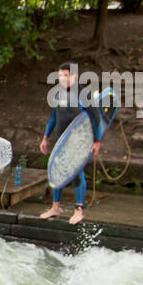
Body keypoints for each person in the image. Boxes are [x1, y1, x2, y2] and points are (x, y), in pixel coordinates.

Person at [40, 62, 103, 226]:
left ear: (74, 76)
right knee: (57, 169)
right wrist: (45, 137)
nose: (62, 78)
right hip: (60, 139)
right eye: (60, 75)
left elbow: (96, 119)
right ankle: (55, 208)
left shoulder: (84, 94)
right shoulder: (57, 94)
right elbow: (53, 119)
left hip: (78, 142)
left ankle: (78, 210)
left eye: (66, 75)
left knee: (76, 172)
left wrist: (97, 141)